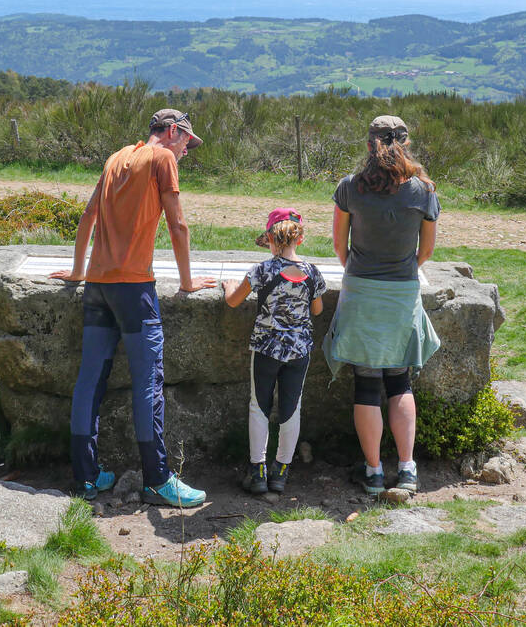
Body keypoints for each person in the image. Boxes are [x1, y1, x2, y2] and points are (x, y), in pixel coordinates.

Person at [50, 109, 218, 507]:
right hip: (133, 289)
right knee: (148, 384)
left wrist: (78, 270)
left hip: (97, 285)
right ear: (173, 132)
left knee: (89, 380)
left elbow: (88, 214)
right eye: (186, 144)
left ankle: (87, 478)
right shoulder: (161, 159)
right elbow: (178, 226)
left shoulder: (116, 157)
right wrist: (188, 282)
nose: (186, 154)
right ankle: (158, 479)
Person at [325, 115, 440, 496]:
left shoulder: (349, 188)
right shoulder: (424, 191)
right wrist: (403, 270)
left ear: (370, 143)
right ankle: (407, 470)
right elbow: (426, 251)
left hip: (360, 289)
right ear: (404, 143)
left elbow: (340, 248)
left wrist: (358, 272)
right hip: (401, 291)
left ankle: (373, 472)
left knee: (366, 383)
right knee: (399, 380)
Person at [223, 208, 326, 495]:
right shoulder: (312, 273)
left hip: (266, 348)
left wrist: (228, 286)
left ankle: (258, 472)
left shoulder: (261, 271)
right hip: (299, 351)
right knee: (291, 409)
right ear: (300, 240)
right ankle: (281, 472)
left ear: (270, 239)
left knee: (260, 406)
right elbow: (317, 310)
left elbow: (233, 301)